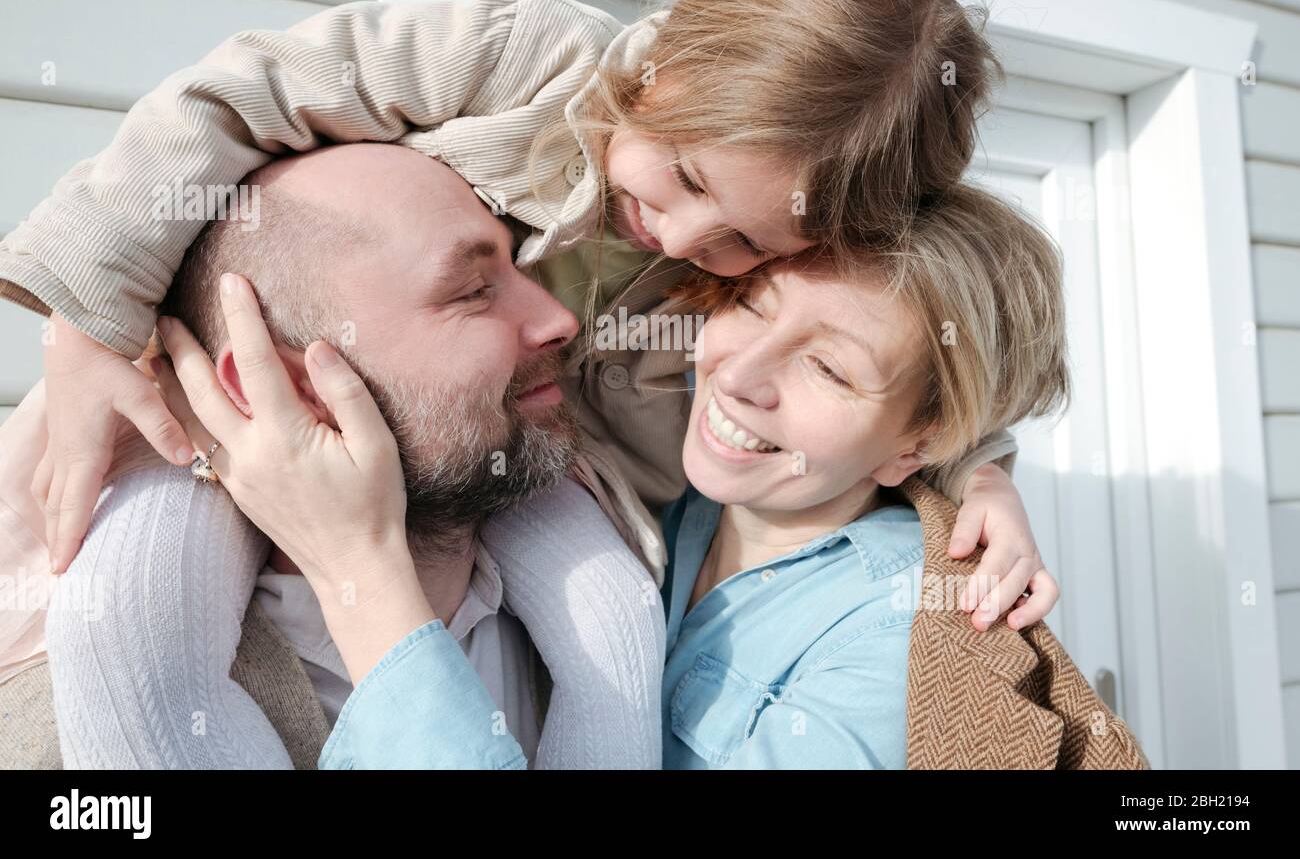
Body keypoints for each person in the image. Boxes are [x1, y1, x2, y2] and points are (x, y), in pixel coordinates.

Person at [2, 0, 1053, 638]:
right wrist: (87, 320)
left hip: (538, 480)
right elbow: (241, 94)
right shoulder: (524, 54)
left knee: (604, 629)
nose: (680, 232)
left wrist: (982, 475)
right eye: (682, 173)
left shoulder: (799, 239)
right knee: (109, 547)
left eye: (738, 238)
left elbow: (909, 350)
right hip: (288, 386)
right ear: (671, 62)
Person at [157, 182, 1148, 768]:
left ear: (914, 444)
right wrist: (89, 324)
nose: (742, 375)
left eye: (831, 367)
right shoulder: (671, 495)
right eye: (753, 304)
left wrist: (355, 567)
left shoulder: (899, 641)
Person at [0, 144, 665, 769]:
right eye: (472, 290)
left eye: (518, 267)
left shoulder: (652, 603)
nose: (558, 318)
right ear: (294, 388)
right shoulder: (72, 735)